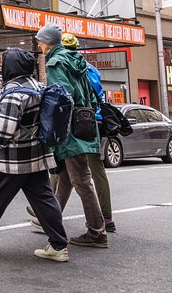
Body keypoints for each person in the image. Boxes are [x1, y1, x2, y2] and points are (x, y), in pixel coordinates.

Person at [0, 48, 69, 262]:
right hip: (36, 156)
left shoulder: (13, 93)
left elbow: (5, 130)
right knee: (45, 200)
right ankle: (58, 245)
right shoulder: (38, 87)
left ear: (11, 67)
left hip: (11, 158)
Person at [35, 23, 107, 248]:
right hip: (84, 123)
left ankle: (97, 232)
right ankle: (50, 221)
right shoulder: (77, 61)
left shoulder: (55, 63)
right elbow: (90, 96)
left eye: (40, 40)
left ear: (48, 42)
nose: (39, 44)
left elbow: (62, 98)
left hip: (69, 129)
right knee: (66, 178)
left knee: (81, 180)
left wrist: (53, 128)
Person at [60, 33, 116, 233]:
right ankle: (107, 217)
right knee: (95, 170)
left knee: (64, 166)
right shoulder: (90, 68)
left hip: (77, 122)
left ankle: (47, 214)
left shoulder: (65, 66)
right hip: (94, 120)